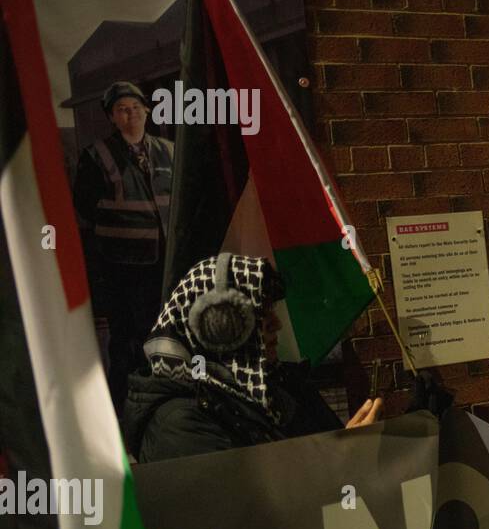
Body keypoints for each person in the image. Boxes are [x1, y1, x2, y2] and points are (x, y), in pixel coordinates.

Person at [124, 253, 384, 461]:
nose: (276, 324)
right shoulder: (177, 425)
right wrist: (345, 459)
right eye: (259, 314)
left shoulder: (280, 388)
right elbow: (251, 510)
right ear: (215, 328)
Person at [72, 82, 174, 415]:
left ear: (146, 110)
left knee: (167, 336)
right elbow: (85, 204)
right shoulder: (96, 155)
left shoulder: (169, 151)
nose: (129, 114)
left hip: (165, 263)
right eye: (121, 109)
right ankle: (125, 413)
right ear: (112, 118)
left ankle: (164, 405)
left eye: (134, 107)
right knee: (128, 342)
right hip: (123, 269)